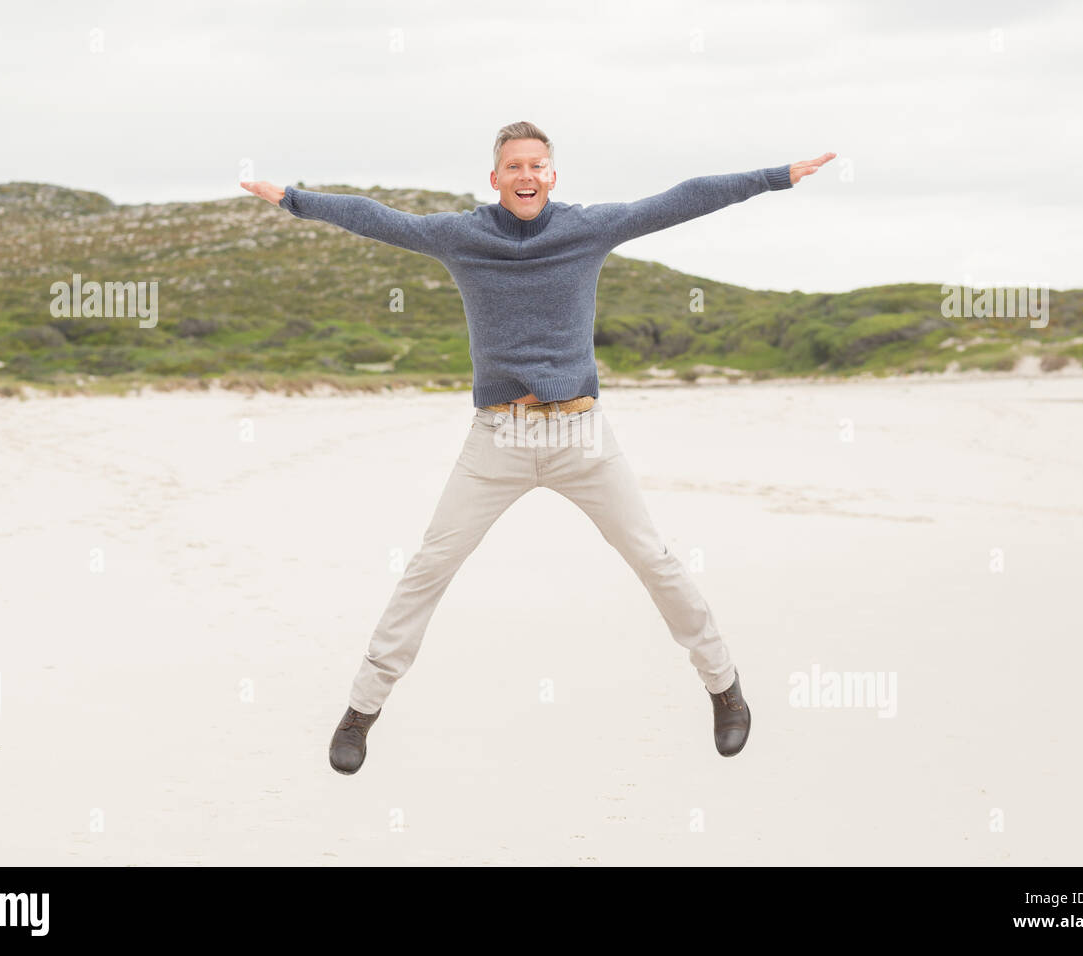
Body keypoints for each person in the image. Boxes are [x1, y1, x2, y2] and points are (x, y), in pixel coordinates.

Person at [242, 121, 835, 774]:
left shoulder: (588, 229)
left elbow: (680, 198)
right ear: (495, 179)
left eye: (538, 165)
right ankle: (360, 712)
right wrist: (291, 198)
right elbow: (376, 218)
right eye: (514, 166)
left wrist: (775, 176)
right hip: (498, 438)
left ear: (552, 175)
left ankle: (725, 689)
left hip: (581, 435)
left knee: (653, 557)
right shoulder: (461, 236)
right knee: (429, 568)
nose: (526, 175)